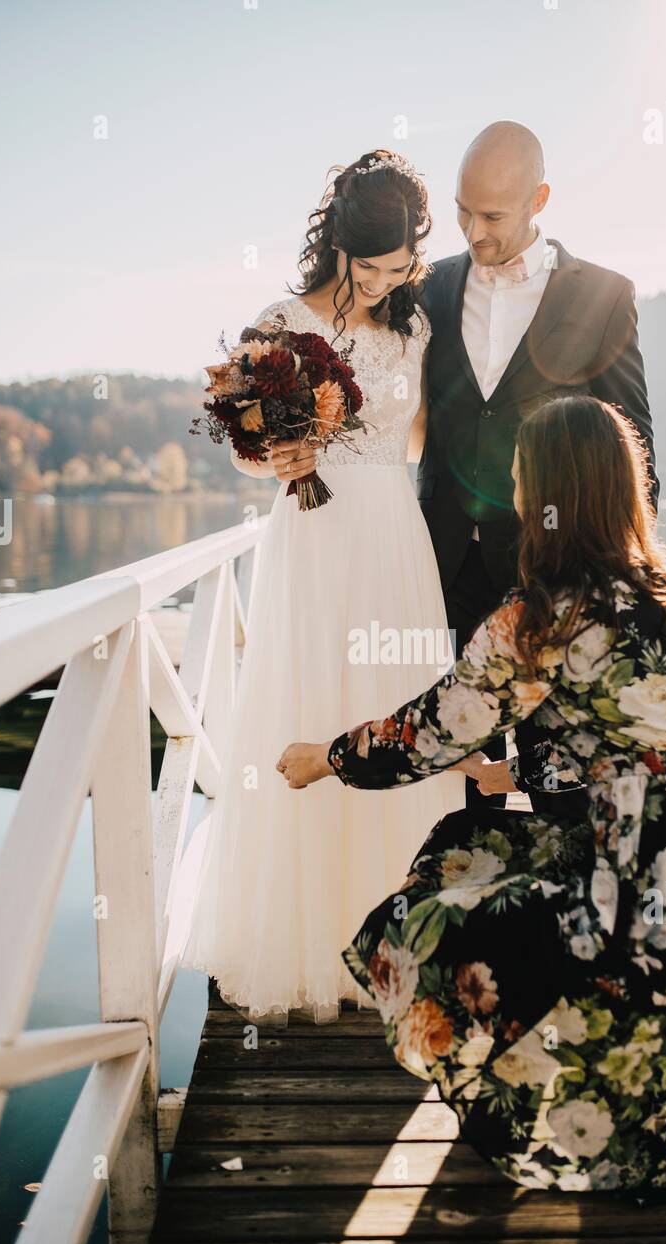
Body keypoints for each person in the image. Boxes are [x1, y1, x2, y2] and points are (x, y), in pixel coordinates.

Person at [277, 395, 666, 1194]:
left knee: (425, 916)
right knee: (469, 843)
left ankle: (530, 1092)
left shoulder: (537, 618)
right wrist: (513, 774)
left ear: (545, 492)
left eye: (519, 471)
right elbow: (643, 751)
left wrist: (325, 757)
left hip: (649, 898)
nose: (511, 483)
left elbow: (428, 733)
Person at [182, 150, 464, 1025]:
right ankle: (306, 941)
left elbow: (416, 431)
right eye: (375, 267)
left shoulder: (413, 325)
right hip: (312, 540)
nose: (389, 282)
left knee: (395, 706)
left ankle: (396, 942)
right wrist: (274, 455)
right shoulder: (278, 321)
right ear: (341, 249)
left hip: (394, 537)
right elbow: (244, 441)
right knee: (309, 706)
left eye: (403, 266)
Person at [418, 121, 658, 812]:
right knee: (460, 784)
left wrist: (630, 576)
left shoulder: (603, 297)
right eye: (462, 210)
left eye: (491, 215)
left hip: (555, 575)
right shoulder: (428, 289)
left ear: (539, 199)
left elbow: (632, 441)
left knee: (563, 779)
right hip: (441, 569)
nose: (472, 231)